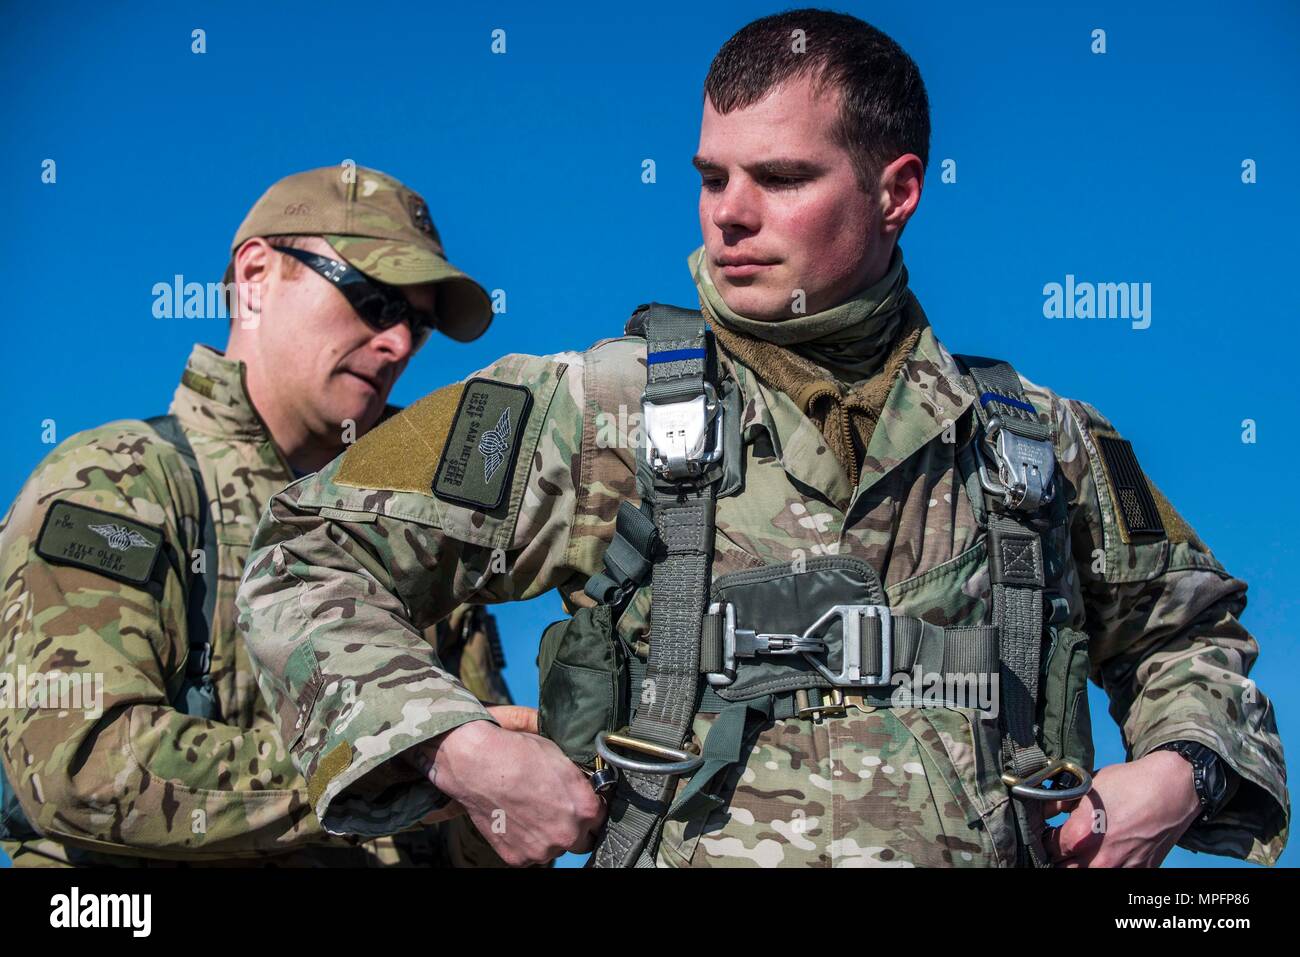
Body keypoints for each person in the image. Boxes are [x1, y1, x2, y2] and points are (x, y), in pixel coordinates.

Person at [236, 14, 1288, 868]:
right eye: (710, 177)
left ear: (897, 191)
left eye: (780, 178)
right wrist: (451, 746)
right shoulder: (596, 407)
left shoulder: (1039, 443)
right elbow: (304, 556)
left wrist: (1181, 773)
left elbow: (1188, 635)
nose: (727, 215)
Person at [0, 164, 521, 867]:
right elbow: (84, 764)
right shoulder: (118, 483)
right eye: (374, 300)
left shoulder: (424, 535)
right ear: (255, 277)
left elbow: (460, 839)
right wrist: (398, 766)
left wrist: (528, 779)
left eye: (418, 324)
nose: (398, 344)